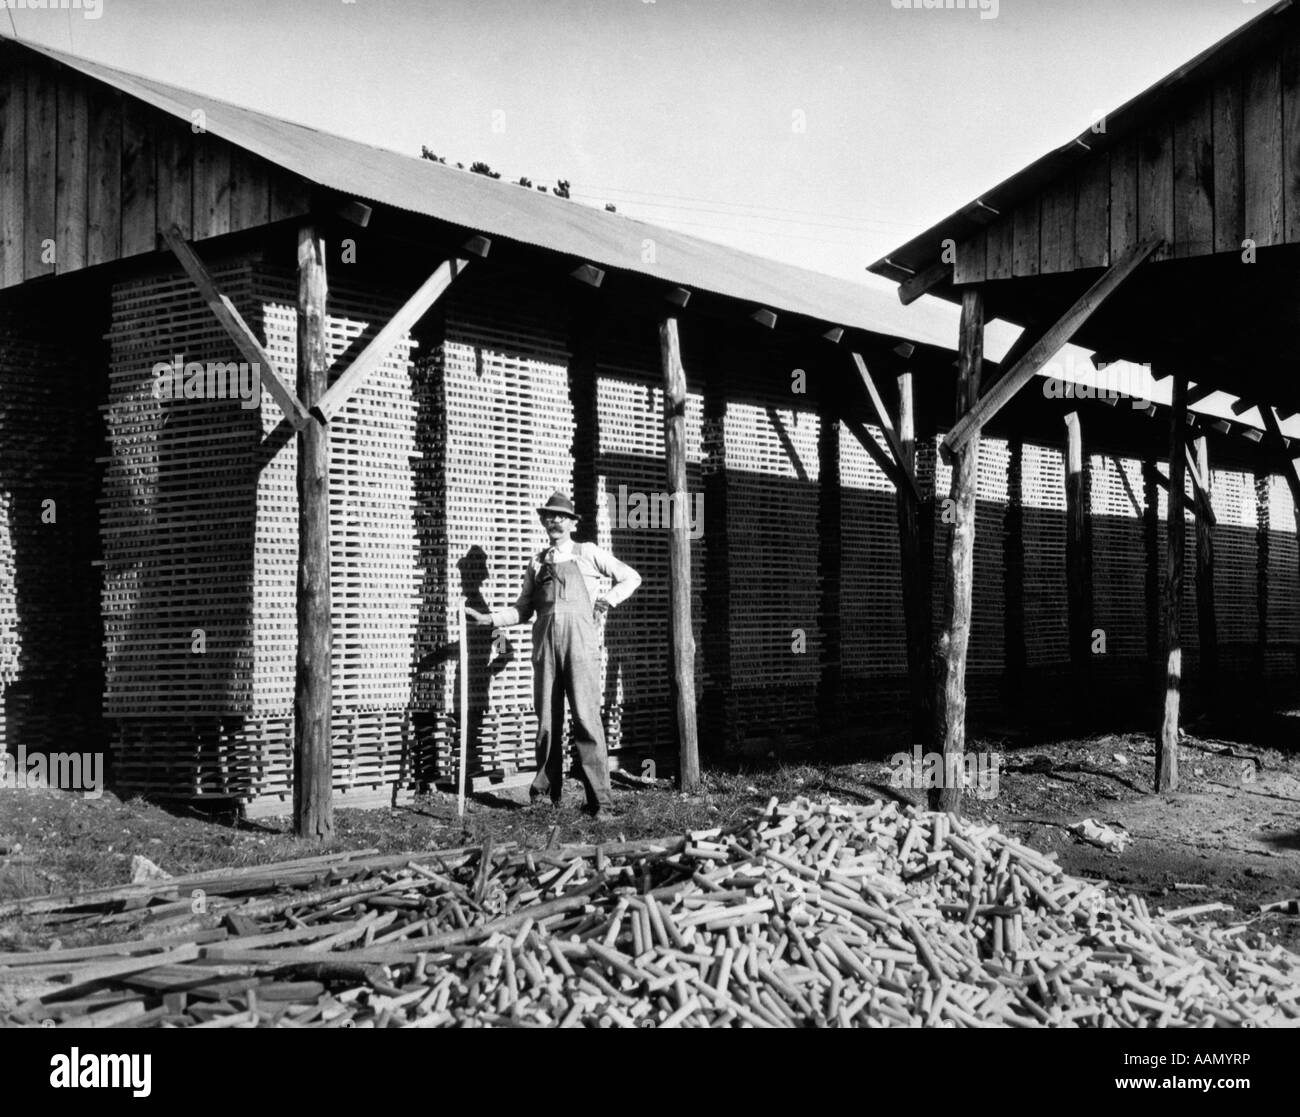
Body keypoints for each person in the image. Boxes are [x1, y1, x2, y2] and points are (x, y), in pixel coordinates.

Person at [466, 492, 641, 816]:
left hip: (581, 648)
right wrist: (489, 619)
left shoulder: (587, 553)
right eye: (549, 516)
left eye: (561, 516)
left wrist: (607, 601)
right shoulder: (537, 561)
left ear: (572, 522)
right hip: (545, 648)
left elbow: (631, 577)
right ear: (544, 521)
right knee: (547, 721)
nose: (555, 521)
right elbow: (523, 609)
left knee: (587, 720)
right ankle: (546, 794)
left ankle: (600, 801)